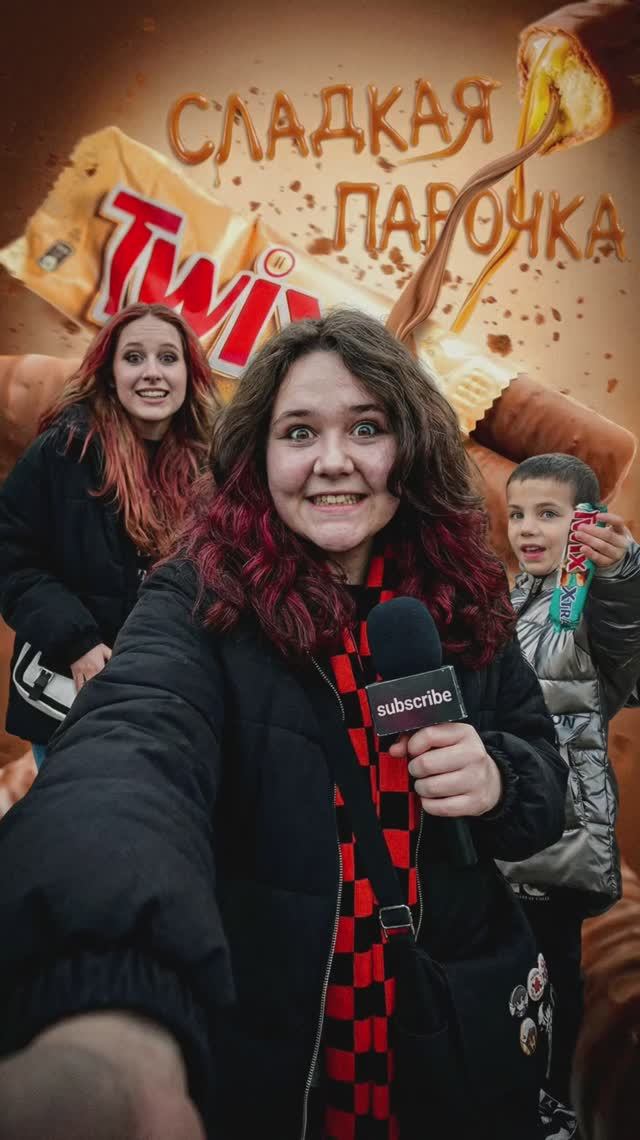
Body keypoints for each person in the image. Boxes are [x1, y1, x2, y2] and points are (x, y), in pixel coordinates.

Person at [0, 310, 567, 1140]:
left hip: (446, 1037)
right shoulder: (197, 599)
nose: (333, 460)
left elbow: (544, 783)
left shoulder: (463, 595)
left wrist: (498, 780)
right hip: (280, 1056)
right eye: (299, 432)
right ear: (257, 459)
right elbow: (130, 750)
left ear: (410, 447)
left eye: (366, 428)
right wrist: (107, 1013)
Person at [0, 301, 219, 768]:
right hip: (71, 695)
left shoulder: (211, 466)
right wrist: (76, 641)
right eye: (133, 357)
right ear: (110, 372)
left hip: (170, 698)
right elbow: (11, 556)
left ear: (189, 373)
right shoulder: (67, 448)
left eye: (168, 357)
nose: (152, 372)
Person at [500, 452, 640, 1136]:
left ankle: (553, 1111)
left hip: (557, 845)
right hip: (507, 838)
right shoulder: (514, 597)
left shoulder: (582, 602)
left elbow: (623, 627)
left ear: (585, 523)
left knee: (549, 989)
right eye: (516, 514)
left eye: (547, 515)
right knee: (512, 992)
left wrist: (622, 573)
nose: (527, 528)